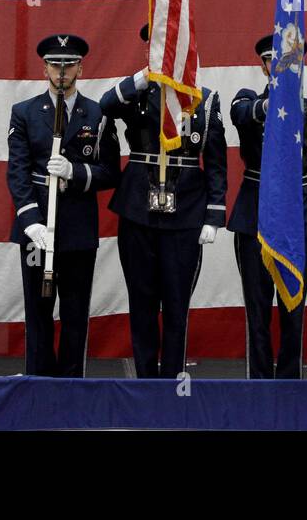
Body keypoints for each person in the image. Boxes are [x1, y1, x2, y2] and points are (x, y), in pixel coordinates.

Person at [100, 25, 227, 378]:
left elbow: (216, 163)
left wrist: (214, 217)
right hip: (138, 209)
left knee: (176, 304)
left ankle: (172, 381)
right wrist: (142, 77)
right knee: (141, 302)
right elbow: (105, 106)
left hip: (186, 213)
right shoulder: (138, 93)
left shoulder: (205, 98)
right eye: (157, 48)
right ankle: (144, 381)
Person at [7, 34, 119, 377]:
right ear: (44, 69)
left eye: (69, 64)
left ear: (80, 69)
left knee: (74, 312)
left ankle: (72, 386)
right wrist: (30, 220)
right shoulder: (24, 112)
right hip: (37, 228)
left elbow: (111, 172)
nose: (62, 71)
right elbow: (17, 171)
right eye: (55, 64)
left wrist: (76, 171)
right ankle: (38, 384)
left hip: (77, 228)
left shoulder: (98, 114)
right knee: (38, 312)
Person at [227, 34, 307, 378]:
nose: (282, 67)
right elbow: (239, 115)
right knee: (257, 311)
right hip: (254, 217)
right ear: (263, 66)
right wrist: (273, 101)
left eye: (290, 60)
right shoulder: (248, 103)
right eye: (274, 61)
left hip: (296, 217)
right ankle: (259, 384)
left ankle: (289, 384)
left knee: (293, 309)